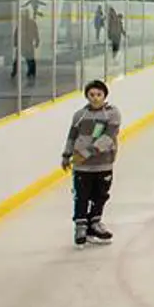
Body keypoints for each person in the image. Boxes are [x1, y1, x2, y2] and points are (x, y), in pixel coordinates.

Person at [62, 80, 121, 248]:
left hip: (103, 163)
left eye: (99, 95)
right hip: (82, 166)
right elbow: (72, 136)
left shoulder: (112, 114)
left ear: (105, 95)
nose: (95, 98)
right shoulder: (79, 115)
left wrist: (85, 154)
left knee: (100, 195)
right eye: (91, 95)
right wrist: (67, 155)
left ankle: (95, 222)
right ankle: (81, 225)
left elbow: (108, 138)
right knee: (82, 195)